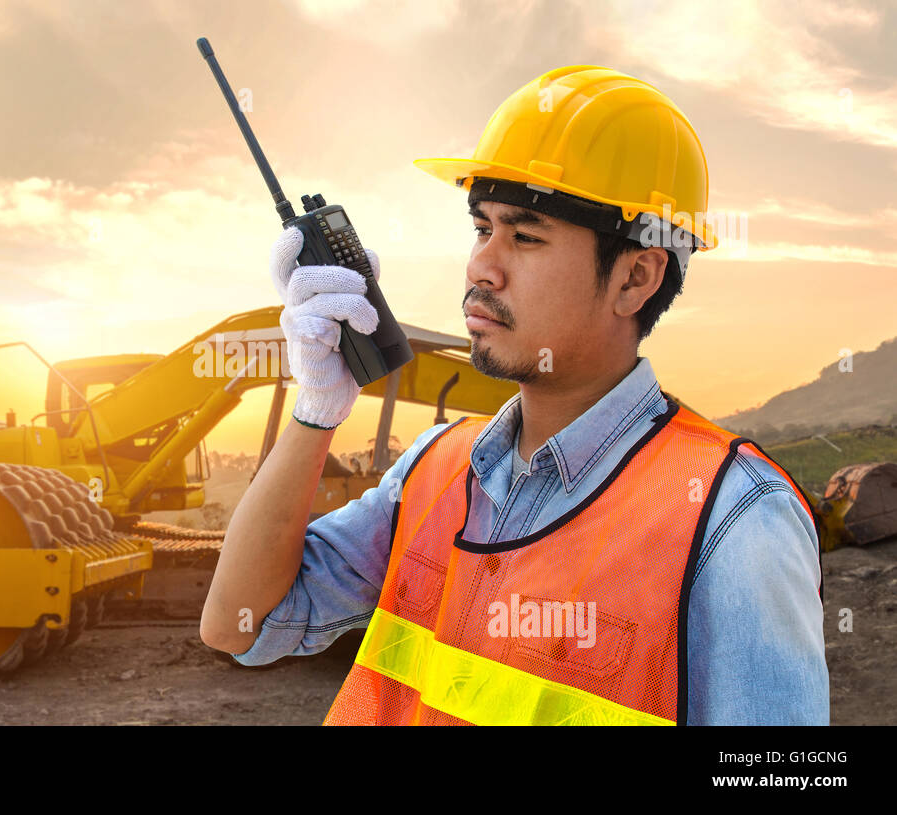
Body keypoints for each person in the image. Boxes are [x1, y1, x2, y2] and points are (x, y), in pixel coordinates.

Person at [199, 65, 828, 725]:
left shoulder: (734, 517)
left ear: (636, 276)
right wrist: (316, 409)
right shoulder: (437, 470)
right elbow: (241, 622)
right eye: (482, 228)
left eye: (525, 236)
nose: (482, 265)